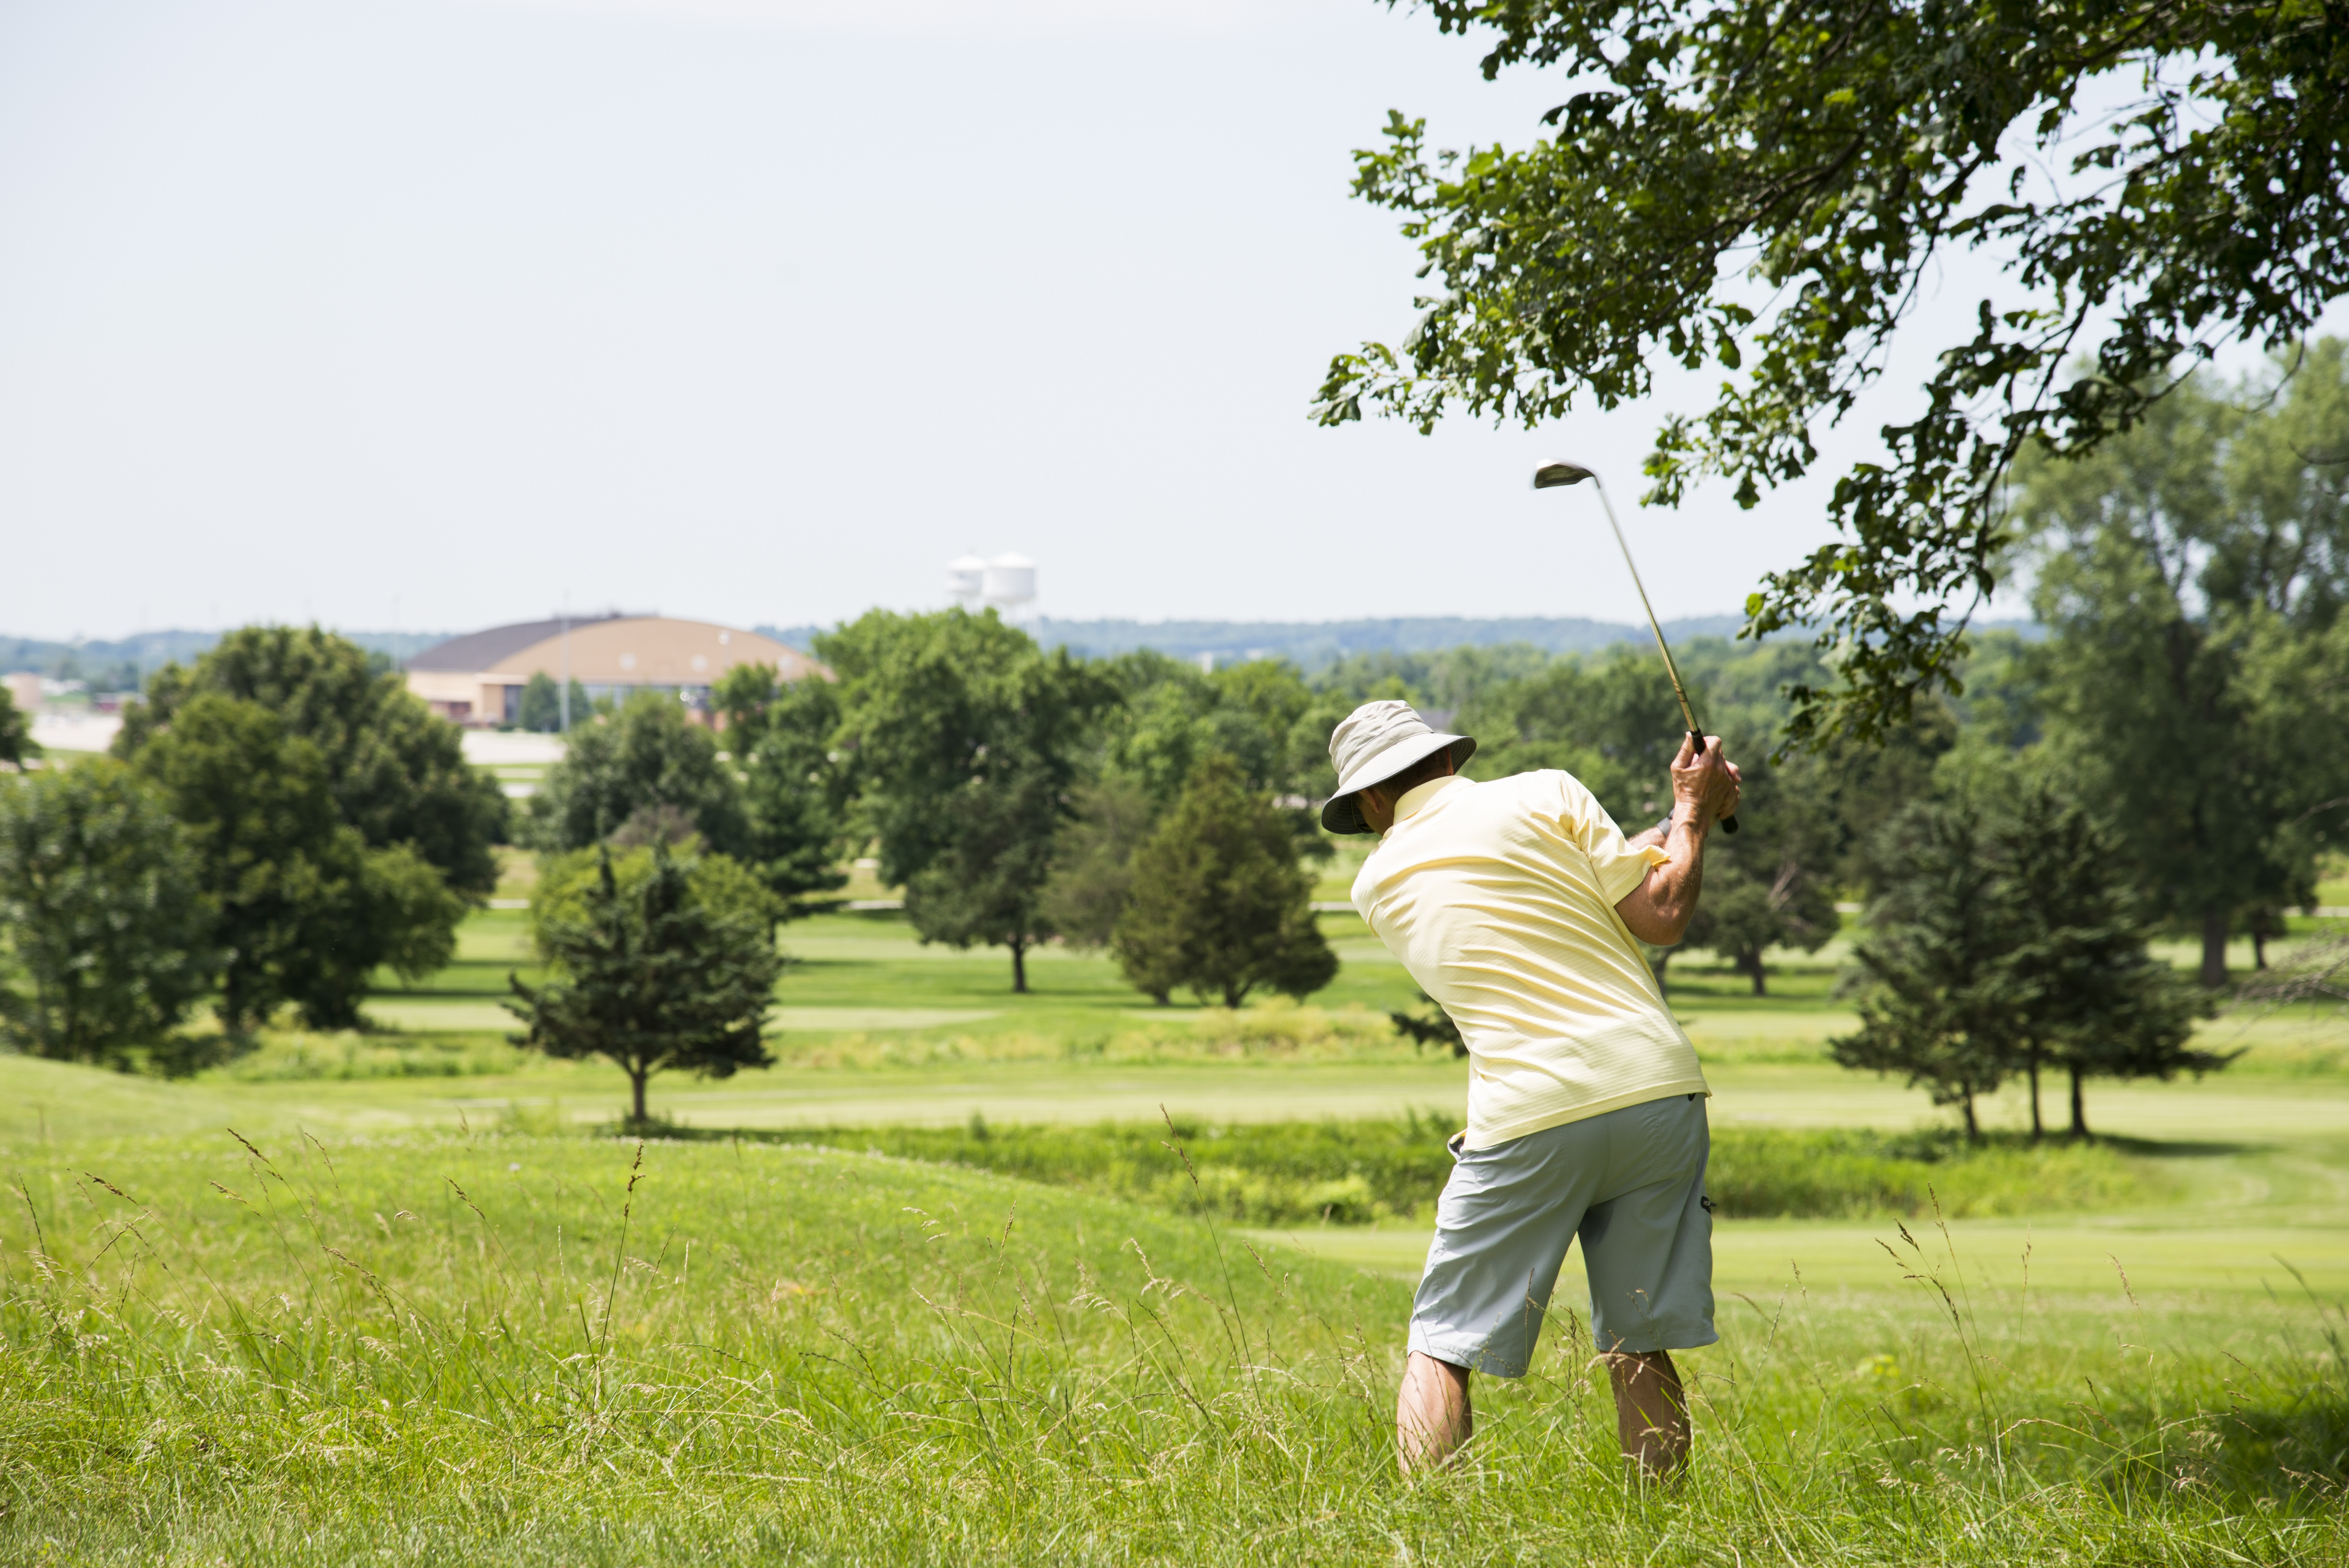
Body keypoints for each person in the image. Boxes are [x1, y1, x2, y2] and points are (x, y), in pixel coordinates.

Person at [1323, 699, 1741, 1478]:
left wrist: (1679, 819)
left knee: (1443, 1341)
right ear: (1446, 758)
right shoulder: (1546, 792)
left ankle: (1427, 1535)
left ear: (1371, 799)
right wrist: (1691, 812)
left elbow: (1550, 891)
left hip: (1529, 1112)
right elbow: (1655, 911)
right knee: (1635, 1338)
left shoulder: (1376, 883)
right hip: (1656, 1091)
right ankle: (1662, 1538)